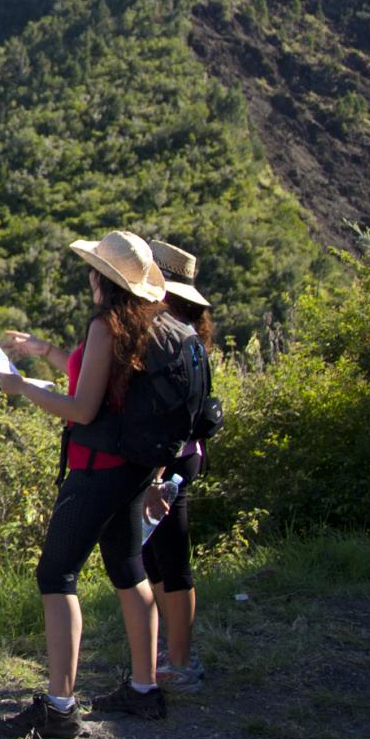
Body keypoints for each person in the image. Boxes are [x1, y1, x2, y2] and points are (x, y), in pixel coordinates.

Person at [0, 230, 175, 739]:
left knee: (56, 576)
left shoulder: (105, 326)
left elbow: (82, 408)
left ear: (102, 279)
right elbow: (95, 381)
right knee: (128, 569)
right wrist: (44, 352)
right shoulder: (150, 323)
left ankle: (59, 707)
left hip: (98, 468)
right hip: (134, 466)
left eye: (93, 270)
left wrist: (21, 387)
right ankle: (144, 689)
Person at [144, 239, 212, 692]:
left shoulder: (167, 338)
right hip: (182, 459)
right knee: (160, 562)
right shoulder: (189, 334)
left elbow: (163, 415)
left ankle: (180, 661)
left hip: (167, 464)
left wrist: (153, 475)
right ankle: (175, 653)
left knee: (167, 562)